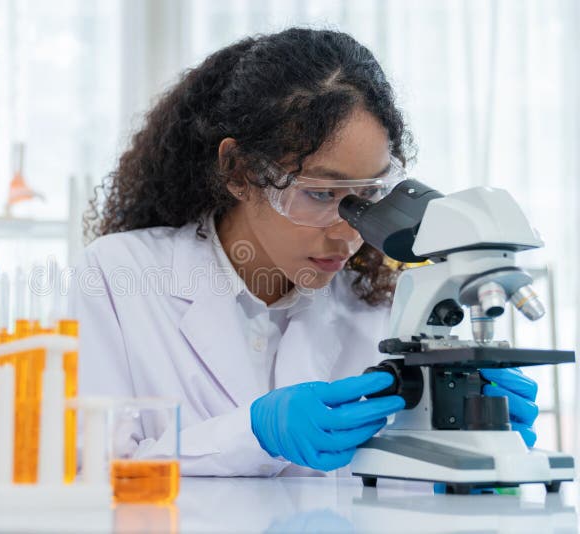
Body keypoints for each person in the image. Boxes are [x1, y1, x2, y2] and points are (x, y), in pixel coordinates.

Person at [71, 28, 539, 477]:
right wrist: (251, 435)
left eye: (367, 197)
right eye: (319, 194)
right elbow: (93, 470)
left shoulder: (379, 305)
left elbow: (393, 492)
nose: (347, 234)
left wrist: (465, 438)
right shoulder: (119, 275)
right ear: (238, 171)